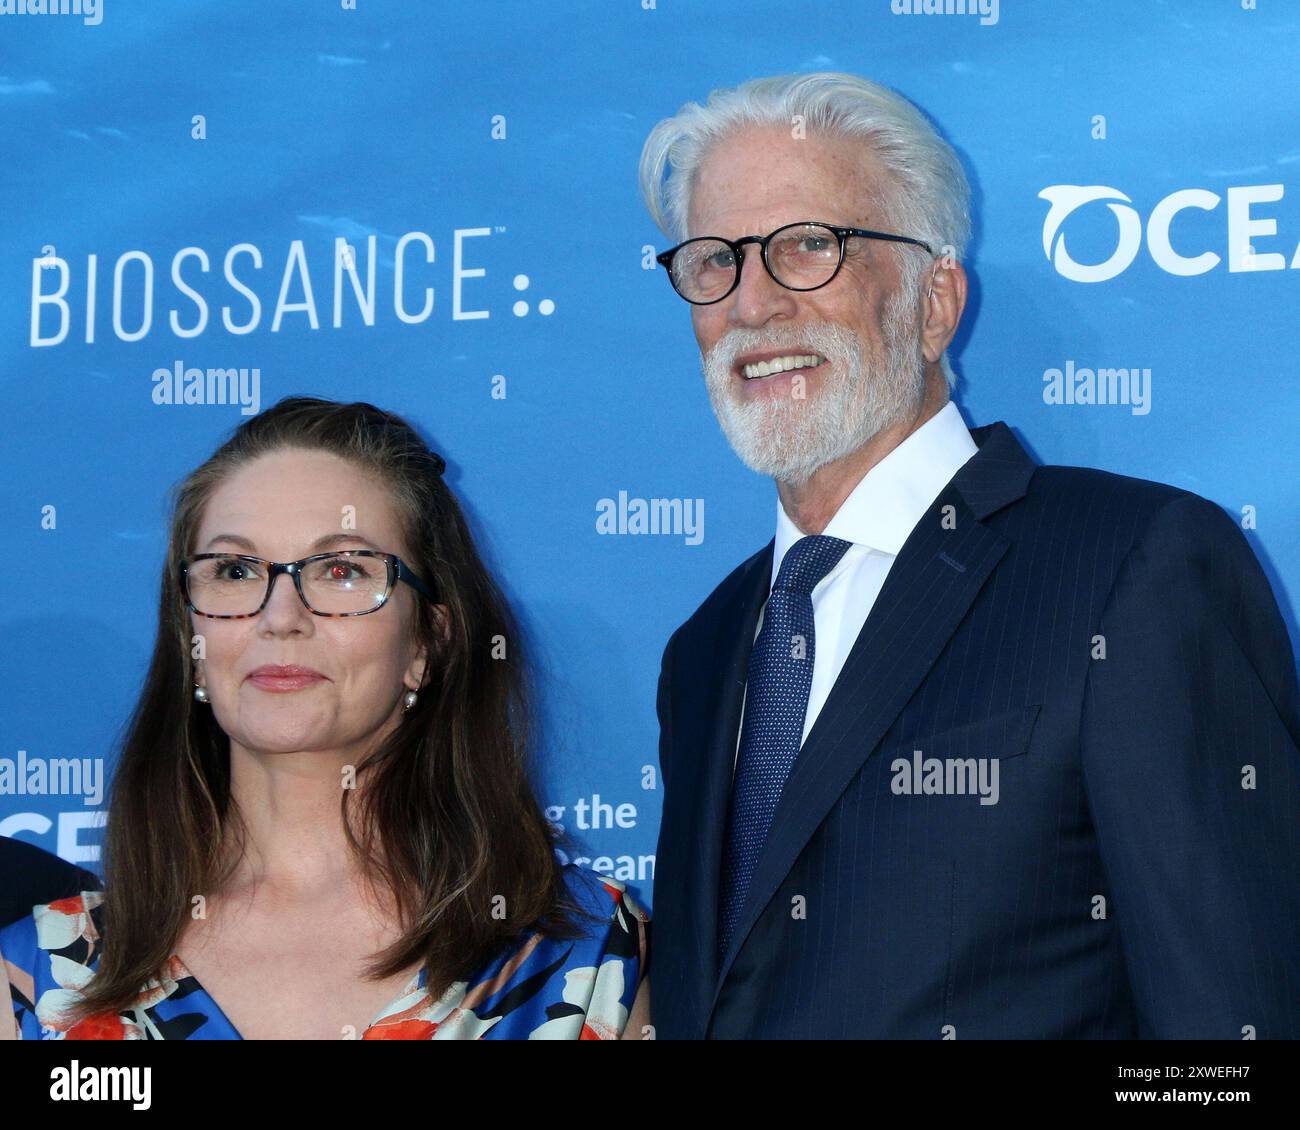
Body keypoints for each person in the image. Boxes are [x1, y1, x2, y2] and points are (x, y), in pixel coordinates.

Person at [639, 72, 1300, 1039]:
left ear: (934, 301)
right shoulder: (703, 651)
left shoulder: (1133, 567)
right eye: (714, 261)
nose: (753, 305)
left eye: (808, 248)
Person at [1, 396, 649, 1040]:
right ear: (190, 637)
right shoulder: (44, 977)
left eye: (341, 569)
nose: (279, 617)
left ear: (428, 640)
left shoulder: (586, 958)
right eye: (233, 569)